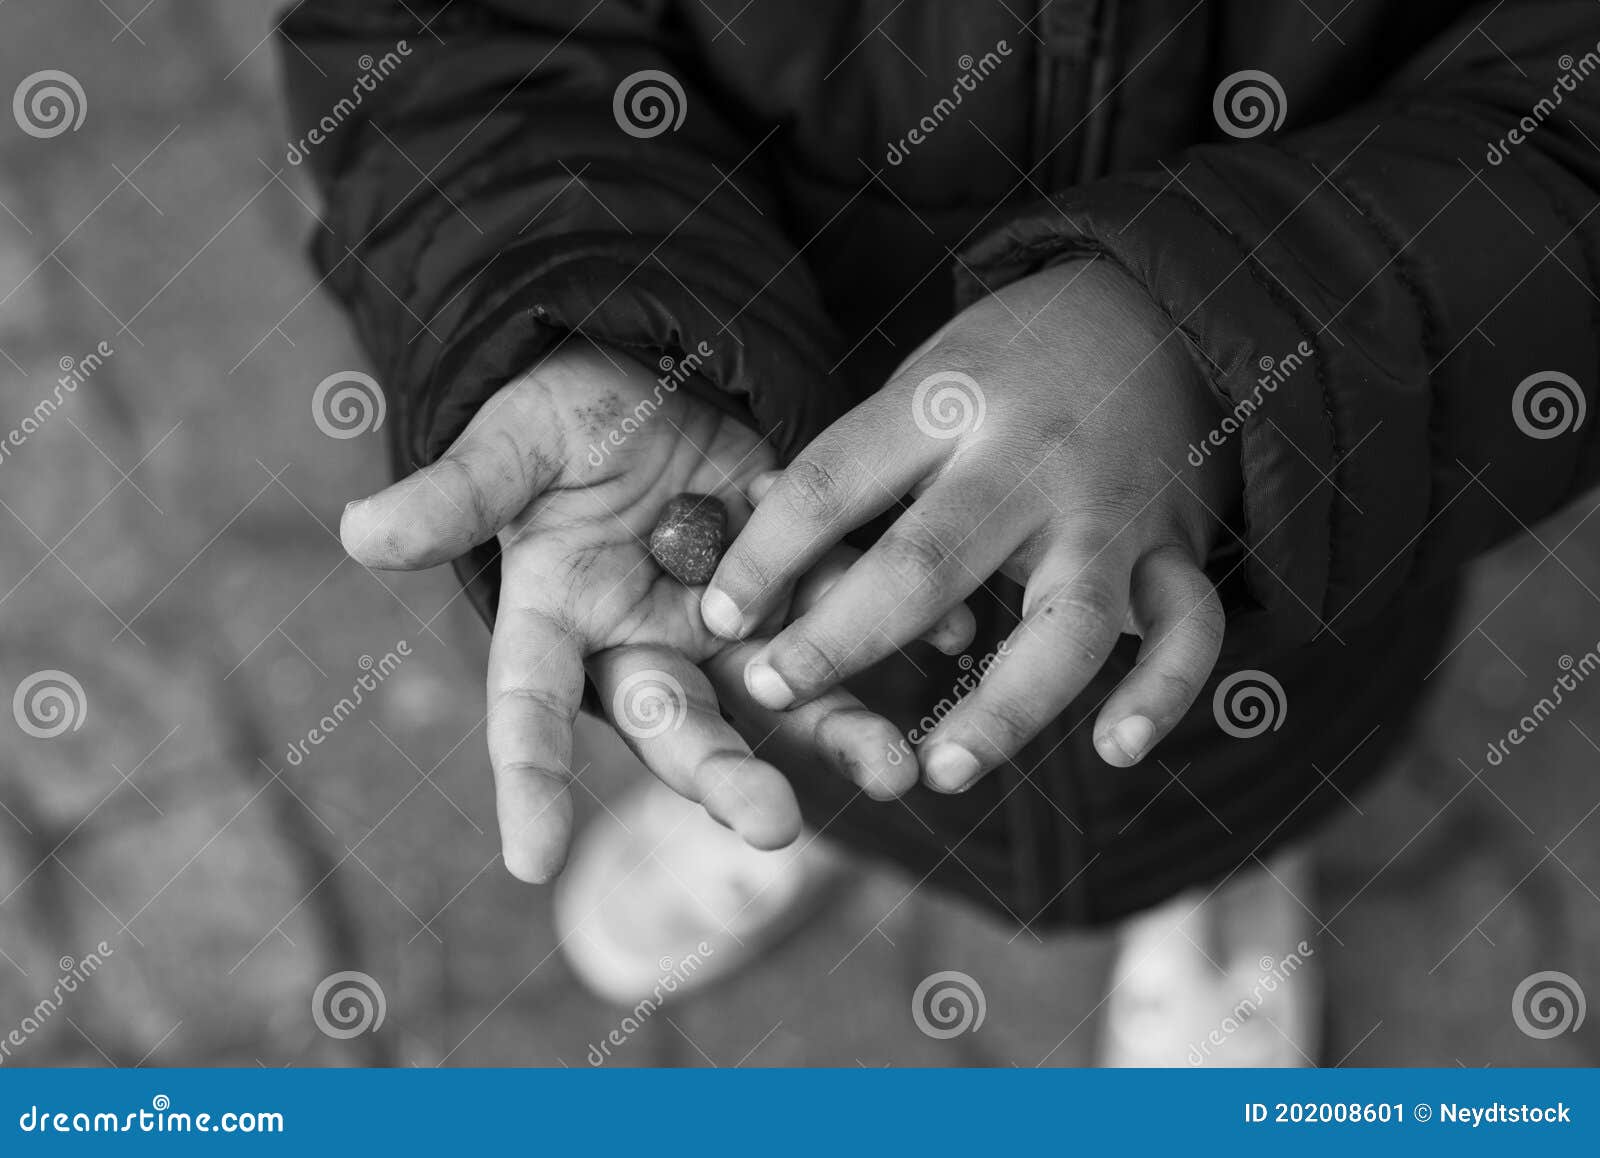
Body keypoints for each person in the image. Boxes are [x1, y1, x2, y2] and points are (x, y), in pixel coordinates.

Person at [279, 1, 1600, 1062]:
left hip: (1295, 502)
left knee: (1229, 748)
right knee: (815, 704)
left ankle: (1217, 890)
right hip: (797, 466)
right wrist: (591, 304)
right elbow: (440, 34)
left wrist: (1221, 337)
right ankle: (789, 817)